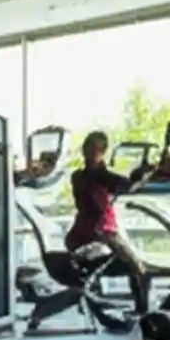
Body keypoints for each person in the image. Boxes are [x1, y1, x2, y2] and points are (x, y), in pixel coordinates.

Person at [64, 131, 155, 314]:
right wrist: (144, 175)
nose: (89, 152)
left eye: (93, 149)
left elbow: (121, 185)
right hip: (102, 232)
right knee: (140, 271)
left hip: (84, 233)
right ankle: (142, 312)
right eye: (89, 148)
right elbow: (126, 186)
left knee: (124, 267)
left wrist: (139, 177)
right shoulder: (100, 178)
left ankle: (102, 299)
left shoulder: (80, 177)